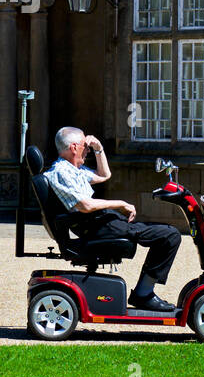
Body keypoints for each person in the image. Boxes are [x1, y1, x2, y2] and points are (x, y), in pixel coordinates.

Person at [42, 126, 181, 313]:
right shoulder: (61, 172)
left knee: (167, 233)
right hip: (96, 226)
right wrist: (120, 203)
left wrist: (99, 148)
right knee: (169, 235)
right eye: (86, 146)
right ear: (74, 148)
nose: (88, 150)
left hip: (102, 223)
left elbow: (104, 175)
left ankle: (144, 292)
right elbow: (86, 206)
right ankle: (144, 294)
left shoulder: (74, 170)